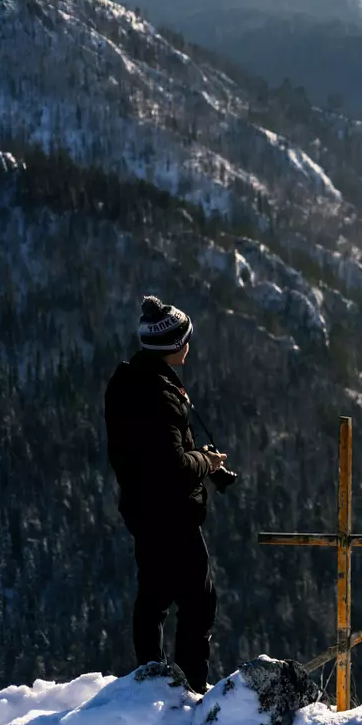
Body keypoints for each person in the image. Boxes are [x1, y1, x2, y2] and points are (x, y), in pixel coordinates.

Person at [104, 295, 237, 693]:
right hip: (172, 515)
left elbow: (150, 455)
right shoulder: (159, 396)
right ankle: (192, 689)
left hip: (142, 510)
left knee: (154, 594)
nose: (189, 346)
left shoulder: (128, 379)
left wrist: (198, 458)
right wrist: (207, 463)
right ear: (175, 345)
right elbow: (175, 468)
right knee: (199, 604)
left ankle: (151, 682)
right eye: (186, 339)